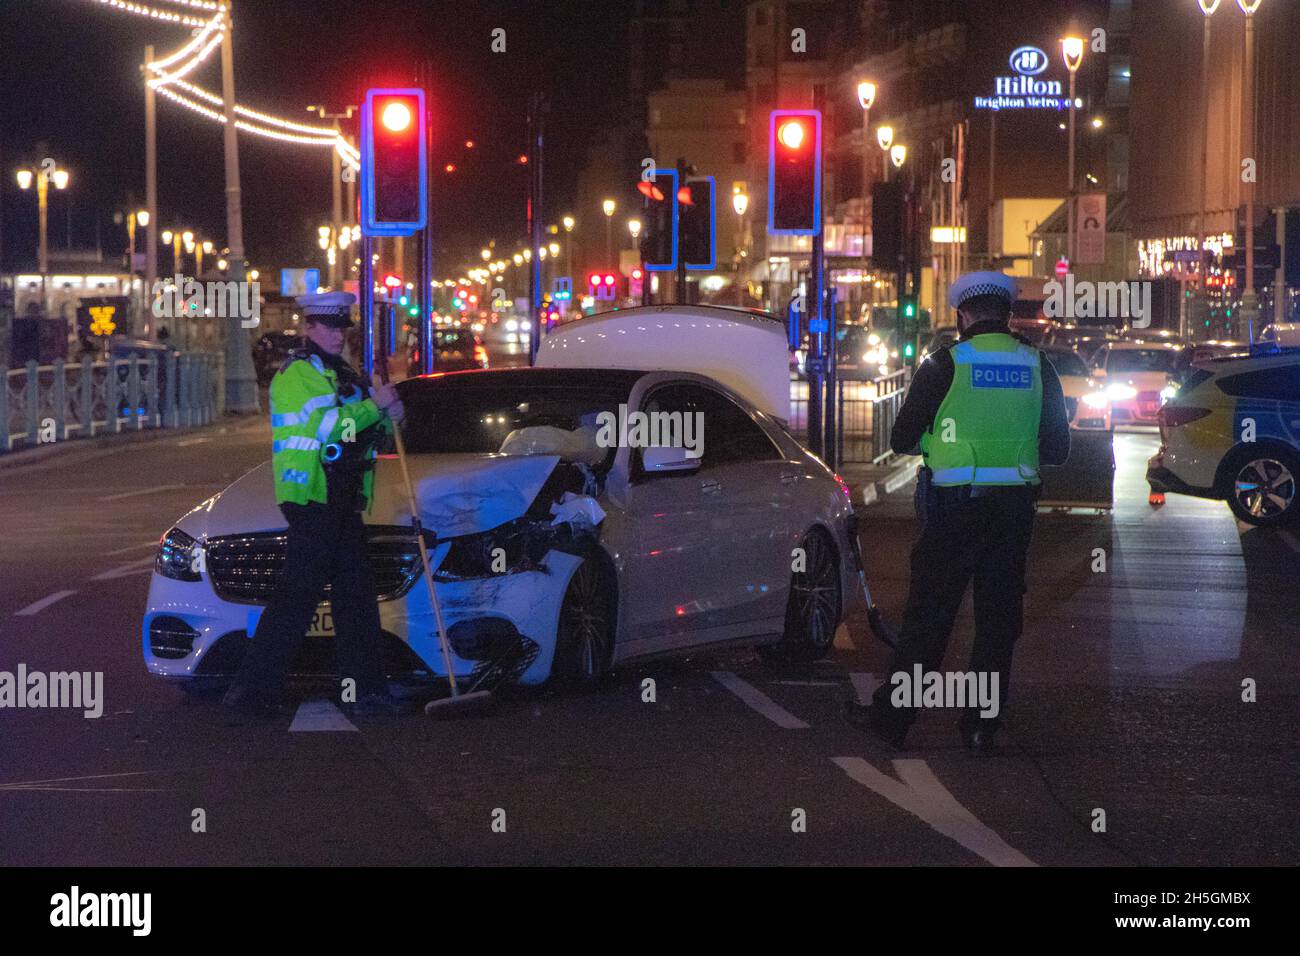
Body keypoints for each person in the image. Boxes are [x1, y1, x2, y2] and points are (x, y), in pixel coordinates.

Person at [845, 272, 1070, 754]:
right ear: (1007, 315)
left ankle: (894, 721)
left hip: (953, 511)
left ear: (963, 315)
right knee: (997, 623)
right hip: (1012, 516)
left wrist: (941, 445)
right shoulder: (1038, 365)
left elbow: (901, 439)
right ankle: (980, 728)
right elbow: (1058, 448)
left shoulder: (943, 365)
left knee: (929, 617)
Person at [222, 291, 405, 718]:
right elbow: (330, 430)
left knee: (355, 595)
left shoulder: (345, 375)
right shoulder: (299, 375)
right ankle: (250, 693)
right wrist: (372, 408)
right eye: (328, 325)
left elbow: (361, 434)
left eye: (342, 326)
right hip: (311, 497)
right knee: (298, 596)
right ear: (308, 327)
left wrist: (387, 420)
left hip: (341, 495)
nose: (337, 333)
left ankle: (367, 692)